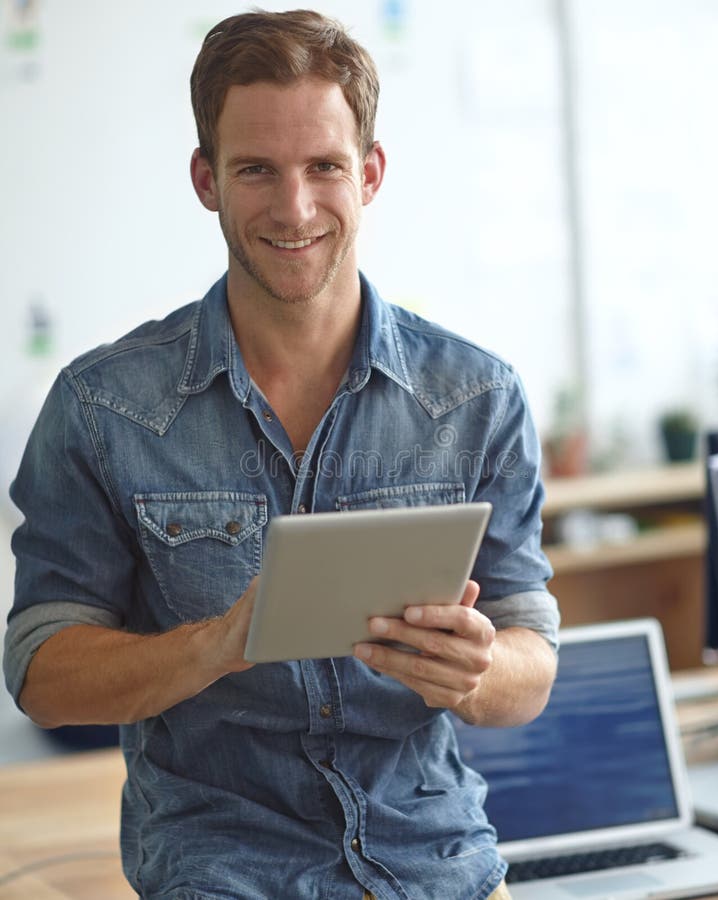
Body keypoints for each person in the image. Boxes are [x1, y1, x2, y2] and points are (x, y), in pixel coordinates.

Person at [3, 10, 559, 899]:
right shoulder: (102, 409)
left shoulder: (477, 398)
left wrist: (478, 671)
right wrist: (216, 645)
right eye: (256, 169)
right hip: (223, 870)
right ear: (207, 180)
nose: (294, 208)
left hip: (435, 864)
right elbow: (40, 674)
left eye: (324, 167)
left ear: (369, 174)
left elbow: (532, 664)